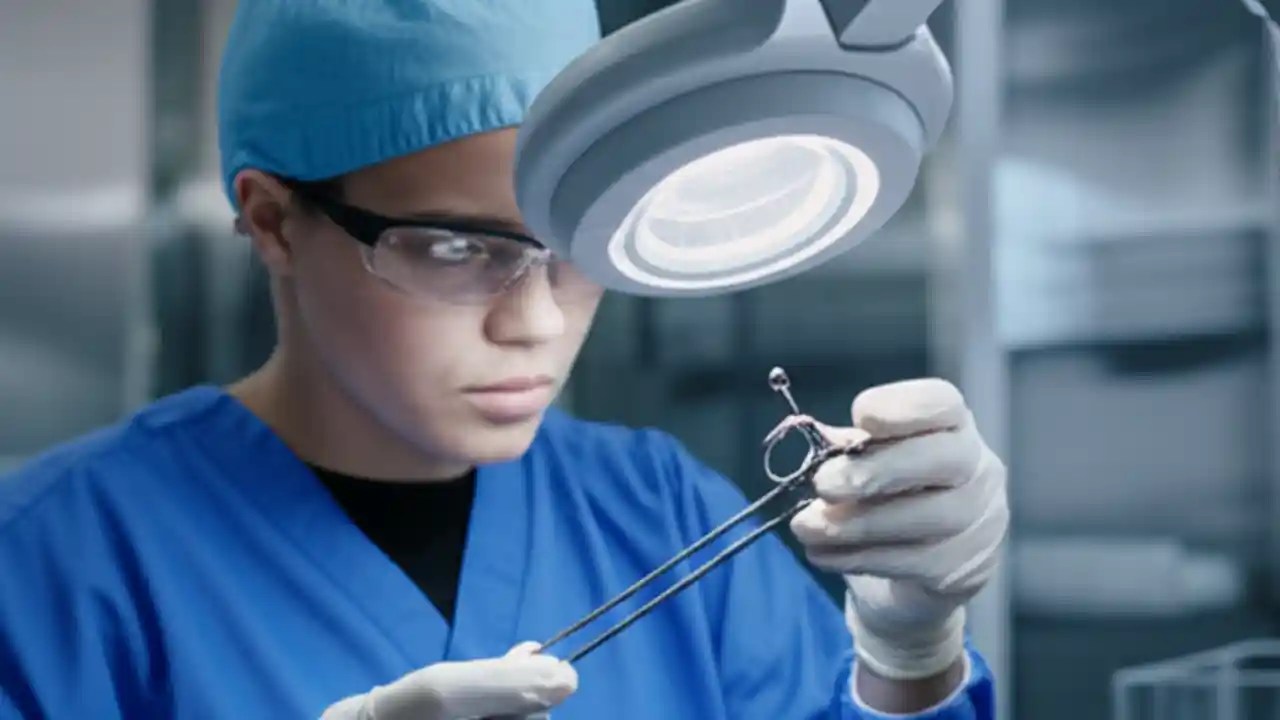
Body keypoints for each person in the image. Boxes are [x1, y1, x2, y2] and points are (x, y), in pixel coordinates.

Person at [0, 2, 1009, 718]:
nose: (534, 323)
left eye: (578, 249)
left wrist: (907, 659)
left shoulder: (655, 506)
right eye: (456, 248)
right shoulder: (53, 566)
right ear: (271, 221)